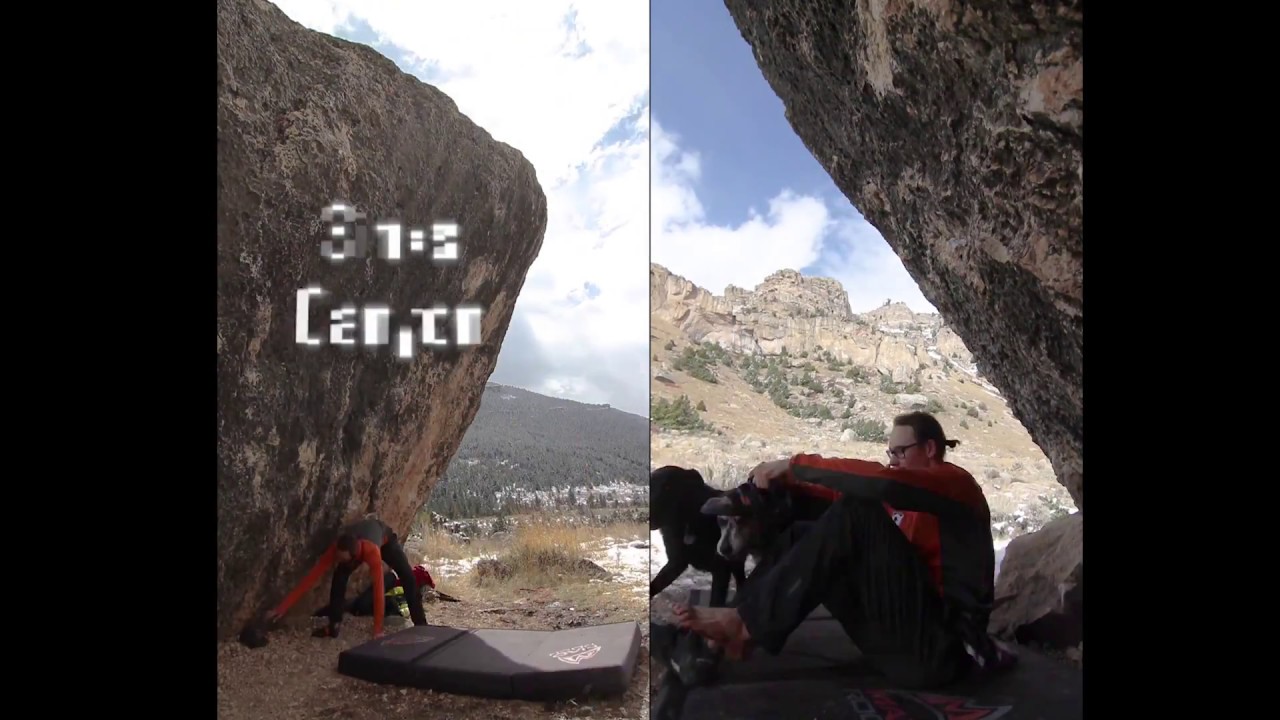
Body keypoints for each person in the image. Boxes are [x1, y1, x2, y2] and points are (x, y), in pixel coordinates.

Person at [673, 411, 1014, 689]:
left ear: (929, 449)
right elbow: (839, 496)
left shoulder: (955, 485)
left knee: (858, 510)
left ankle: (743, 625)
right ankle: (719, 641)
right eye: (889, 453)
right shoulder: (903, 502)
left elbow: (880, 483)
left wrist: (795, 465)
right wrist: (786, 482)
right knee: (803, 533)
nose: (893, 461)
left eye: (900, 452)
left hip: (943, 650)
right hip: (899, 644)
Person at [266, 516, 429, 639]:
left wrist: (377, 631)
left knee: (407, 576)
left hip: (386, 541)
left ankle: (421, 624)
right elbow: (310, 578)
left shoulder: (371, 552)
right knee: (339, 578)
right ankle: (334, 625)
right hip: (357, 544)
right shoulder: (337, 549)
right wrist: (281, 608)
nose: (341, 561)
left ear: (354, 556)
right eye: (339, 558)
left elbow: (378, 589)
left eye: (345, 560)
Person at [313, 564, 436, 621]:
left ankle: (323, 612)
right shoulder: (410, 586)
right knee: (357, 605)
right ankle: (324, 612)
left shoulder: (403, 580)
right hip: (386, 585)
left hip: (384, 588)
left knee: (354, 605)